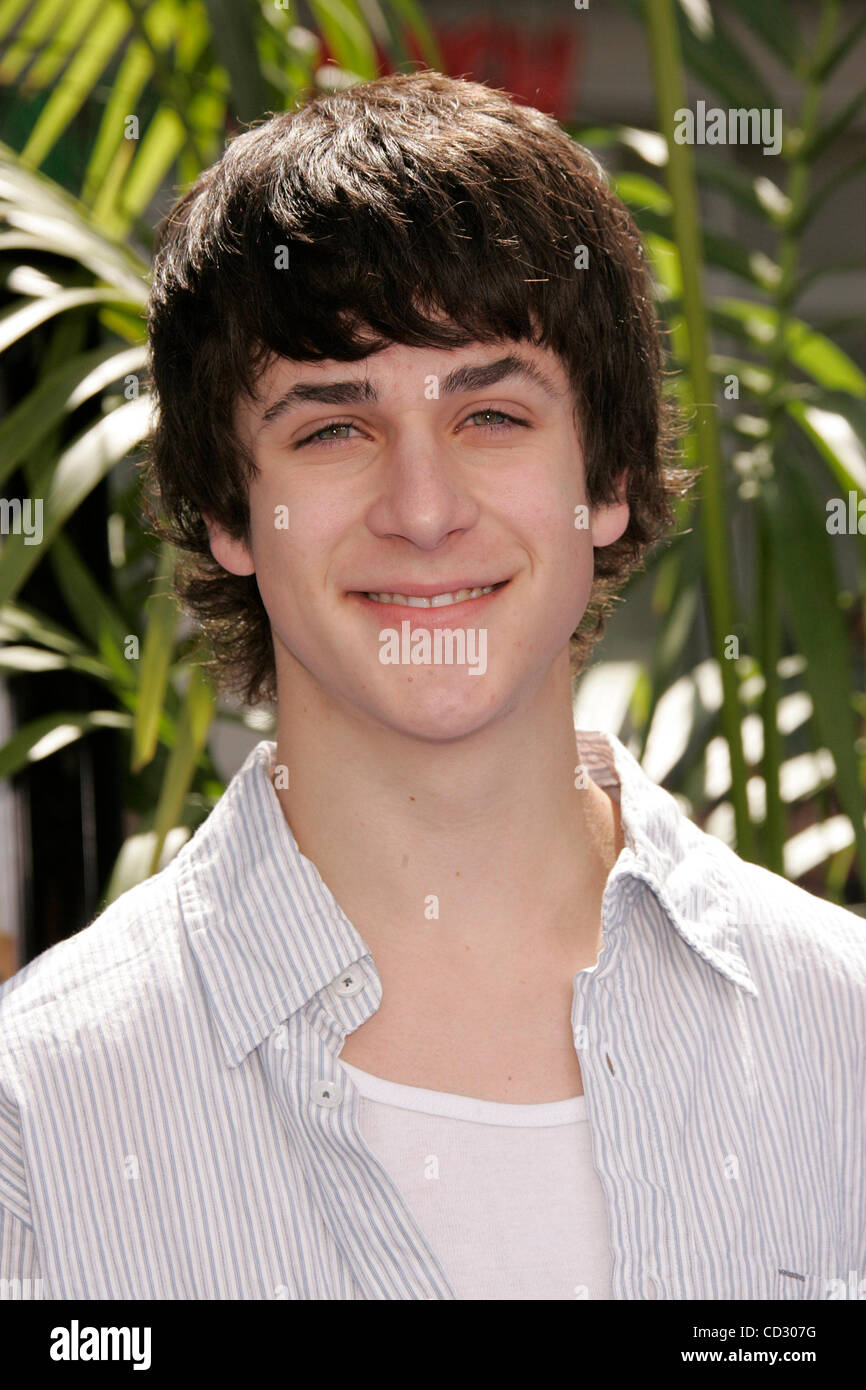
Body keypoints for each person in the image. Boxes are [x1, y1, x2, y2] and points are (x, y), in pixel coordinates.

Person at [1, 69, 864, 1303]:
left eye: (492, 415)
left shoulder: (844, 1041)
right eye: (333, 429)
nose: (421, 510)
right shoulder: (39, 1116)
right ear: (226, 510)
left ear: (609, 474)